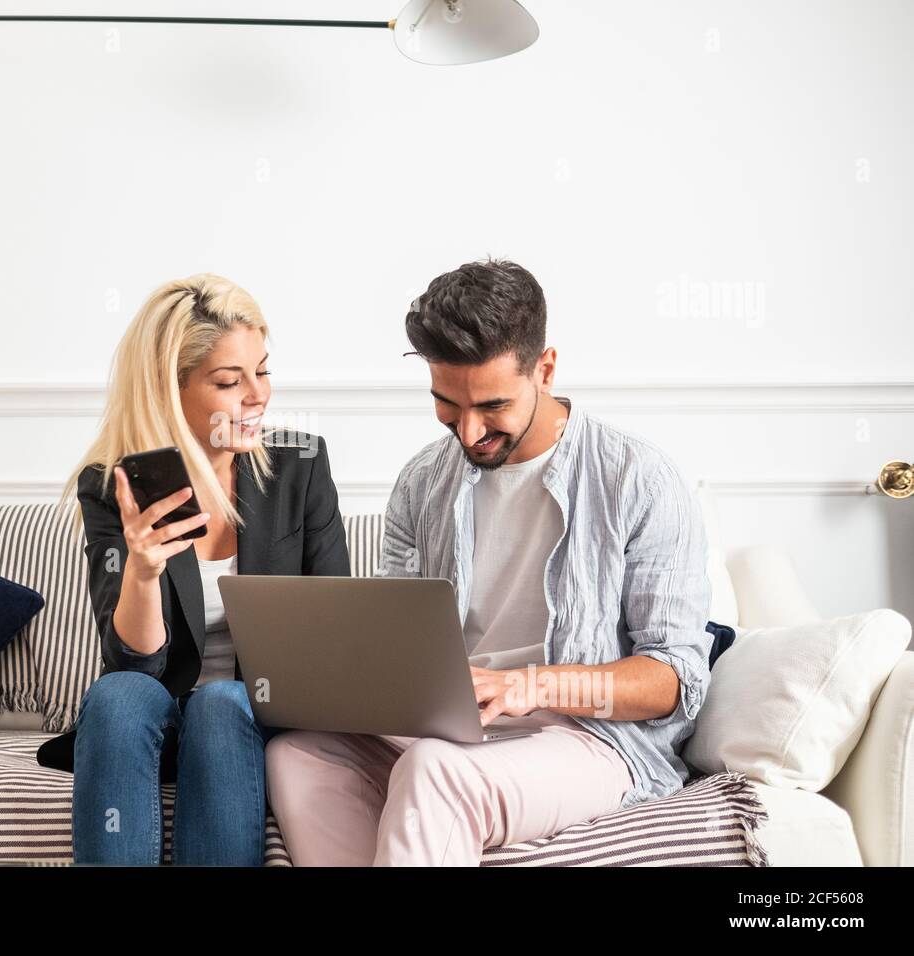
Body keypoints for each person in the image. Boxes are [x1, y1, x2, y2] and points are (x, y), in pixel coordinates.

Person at [264, 258, 713, 866]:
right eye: (448, 406)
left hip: (585, 738)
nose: (470, 432)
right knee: (298, 753)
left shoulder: (640, 481)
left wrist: (530, 685)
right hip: (448, 727)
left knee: (435, 771)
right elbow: (398, 639)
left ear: (545, 368)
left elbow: (674, 679)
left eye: (493, 406)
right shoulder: (423, 482)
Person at [36, 273, 350, 866]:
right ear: (167, 391)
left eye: (263, 371)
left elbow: (336, 633)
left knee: (219, 703)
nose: (257, 395)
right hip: (152, 721)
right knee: (118, 694)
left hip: (255, 717)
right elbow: (137, 663)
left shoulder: (300, 468)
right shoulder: (113, 488)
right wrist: (143, 570)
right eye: (230, 381)